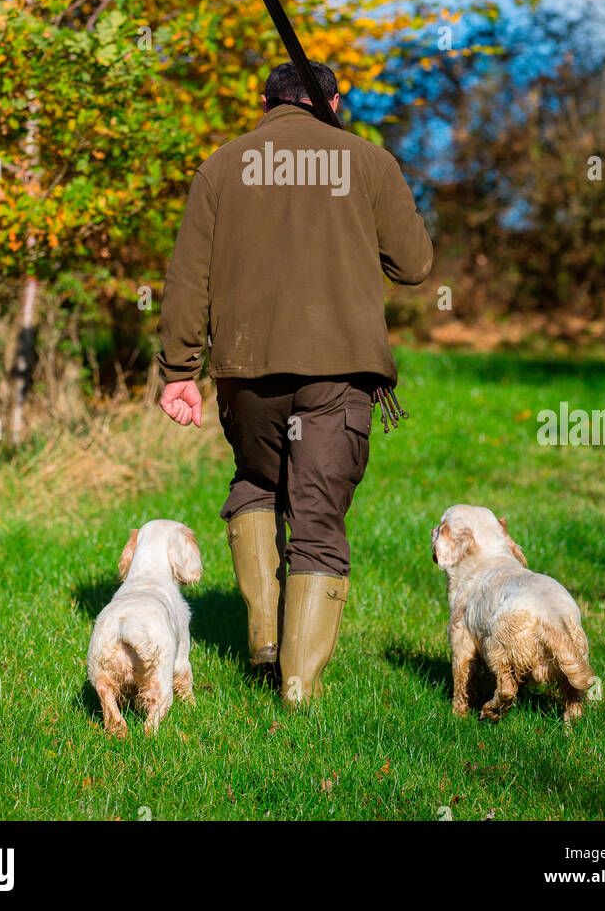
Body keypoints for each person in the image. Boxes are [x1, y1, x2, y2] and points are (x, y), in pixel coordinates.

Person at [156, 60, 433, 705]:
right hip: (340, 371)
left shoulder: (222, 166)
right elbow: (415, 264)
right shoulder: (369, 162)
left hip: (246, 370)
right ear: (334, 101)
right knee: (317, 516)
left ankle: (263, 642)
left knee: (256, 481)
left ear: (262, 102)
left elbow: (186, 278)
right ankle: (297, 690)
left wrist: (179, 371)